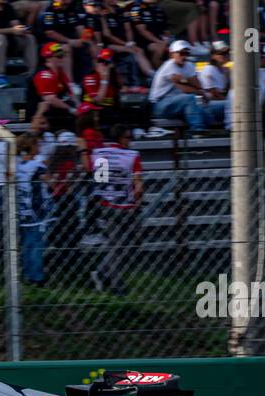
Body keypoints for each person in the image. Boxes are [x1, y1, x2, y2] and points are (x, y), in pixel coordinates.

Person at [89, 124, 142, 295]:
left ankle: (102, 273)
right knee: (121, 246)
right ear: (121, 138)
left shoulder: (99, 153)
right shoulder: (132, 156)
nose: (130, 141)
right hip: (126, 204)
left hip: (106, 204)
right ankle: (116, 284)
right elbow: (138, 185)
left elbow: (100, 180)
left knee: (116, 245)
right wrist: (138, 201)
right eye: (128, 137)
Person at [14, 131, 50, 284]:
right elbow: (48, 181)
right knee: (36, 244)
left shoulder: (17, 164)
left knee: (27, 244)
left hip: (23, 209)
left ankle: (28, 274)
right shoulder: (37, 165)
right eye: (37, 143)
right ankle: (37, 277)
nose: (39, 146)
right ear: (31, 146)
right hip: (37, 209)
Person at [148, 39, 206, 131]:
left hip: (176, 102)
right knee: (190, 99)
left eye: (186, 53)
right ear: (172, 54)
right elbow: (184, 89)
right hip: (160, 104)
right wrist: (197, 91)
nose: (184, 56)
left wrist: (184, 79)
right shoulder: (169, 66)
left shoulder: (189, 65)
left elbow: (198, 84)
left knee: (205, 112)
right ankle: (197, 131)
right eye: (181, 53)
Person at [28, 42, 77, 131]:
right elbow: (50, 99)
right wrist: (72, 110)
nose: (62, 58)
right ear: (48, 59)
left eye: (62, 55)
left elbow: (71, 95)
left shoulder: (61, 74)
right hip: (42, 120)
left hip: (57, 118)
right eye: (59, 55)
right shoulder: (44, 74)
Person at [198, 38, 229, 129]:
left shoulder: (224, 70)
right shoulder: (209, 70)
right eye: (222, 54)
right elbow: (213, 94)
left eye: (227, 53)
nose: (226, 56)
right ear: (213, 55)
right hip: (209, 105)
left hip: (219, 102)